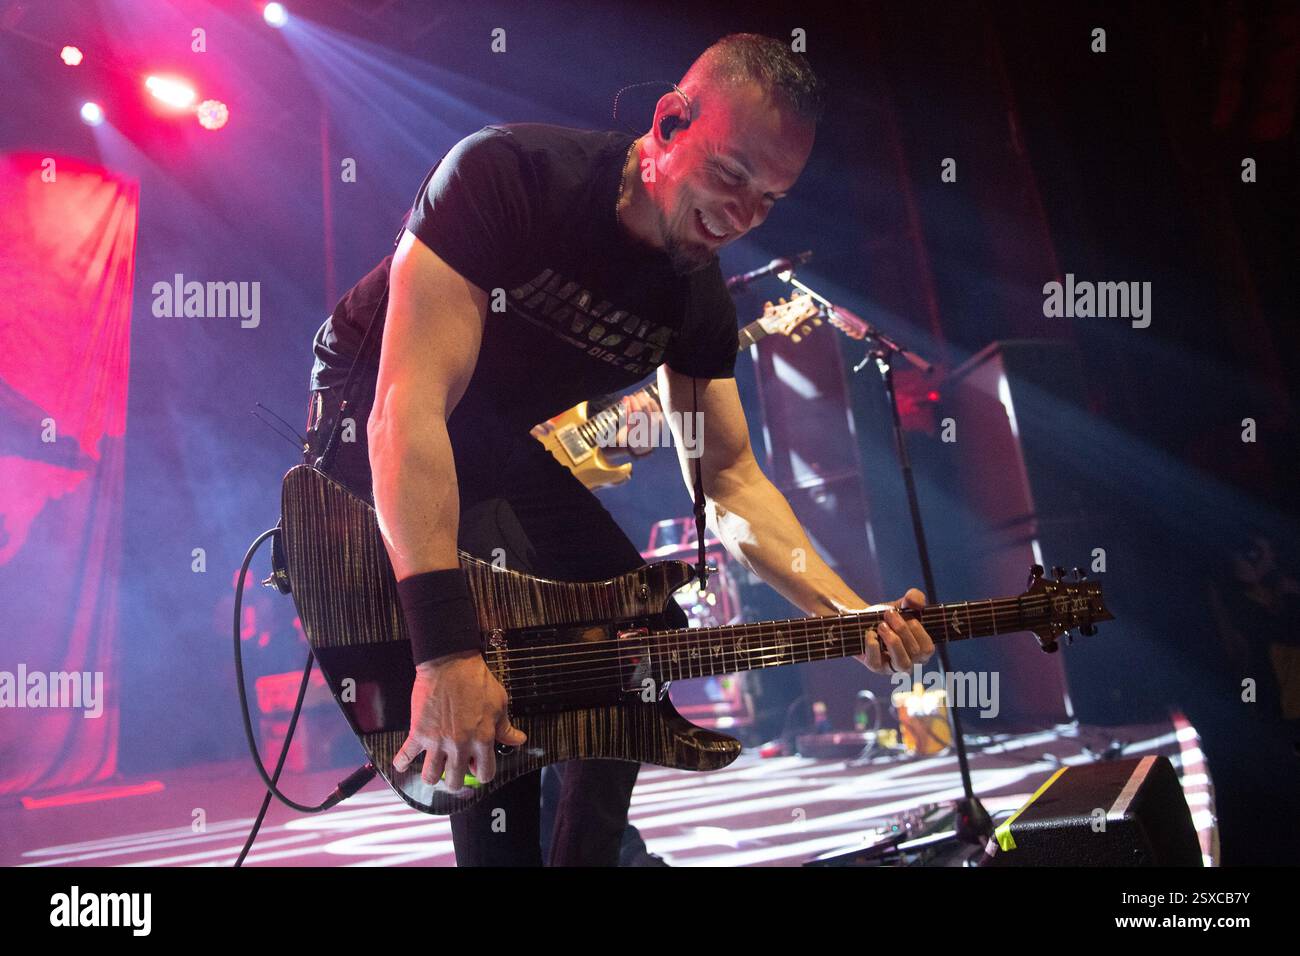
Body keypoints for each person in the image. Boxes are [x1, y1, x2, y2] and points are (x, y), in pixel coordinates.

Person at [304, 33, 934, 866]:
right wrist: (446, 649)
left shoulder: (694, 302)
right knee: (507, 667)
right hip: (369, 410)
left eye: (769, 201)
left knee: (638, 628)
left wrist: (843, 610)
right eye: (731, 176)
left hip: (493, 445)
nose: (742, 216)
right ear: (669, 123)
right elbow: (406, 409)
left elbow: (732, 479)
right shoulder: (510, 177)